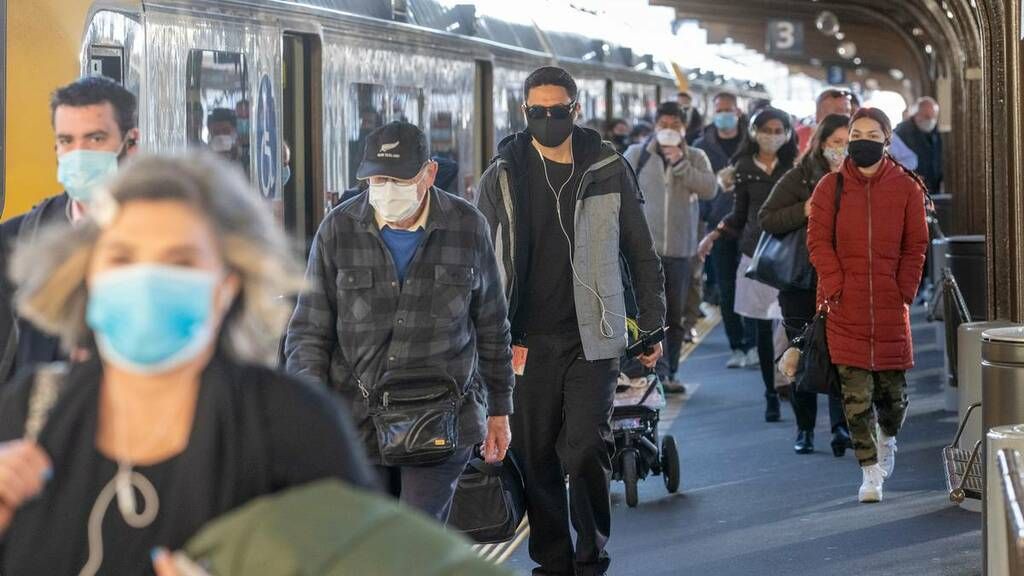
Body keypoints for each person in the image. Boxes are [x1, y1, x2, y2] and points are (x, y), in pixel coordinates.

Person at [0, 152, 377, 575]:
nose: (146, 280)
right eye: (122, 258)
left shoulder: (295, 425)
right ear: (87, 277)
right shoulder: (30, 412)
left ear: (226, 287)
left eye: (179, 262)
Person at [477, 66, 665, 576]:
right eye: (537, 113)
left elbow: (641, 252)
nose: (547, 120)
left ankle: (591, 555)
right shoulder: (501, 175)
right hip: (525, 341)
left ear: (575, 111)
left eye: (557, 112)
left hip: (594, 335)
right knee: (535, 457)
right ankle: (552, 562)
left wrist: (652, 324)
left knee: (585, 447)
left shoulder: (607, 167)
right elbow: (479, 264)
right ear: (524, 113)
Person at [285, 121, 514, 523]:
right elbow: (309, 332)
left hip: (442, 416)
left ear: (428, 174)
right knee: (366, 540)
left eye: (398, 178)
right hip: (356, 418)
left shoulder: (466, 227)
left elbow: (492, 325)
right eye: (377, 178)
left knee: (415, 541)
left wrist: (500, 411)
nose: (386, 188)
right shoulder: (338, 229)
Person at [807, 107, 929, 503]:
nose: (861, 140)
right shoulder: (829, 187)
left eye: (871, 134)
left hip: (892, 308)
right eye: (855, 133)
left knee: (893, 400)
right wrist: (837, 283)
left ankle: (887, 438)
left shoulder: (907, 188)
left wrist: (904, 289)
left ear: (886, 141)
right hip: (845, 306)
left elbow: (917, 244)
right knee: (854, 398)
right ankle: (869, 473)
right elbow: (818, 242)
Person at [0, 76, 141, 384]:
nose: (80, 153)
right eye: (67, 141)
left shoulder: (170, 239)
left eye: (95, 139)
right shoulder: (14, 242)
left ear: (131, 144)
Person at [758, 114, 852, 455]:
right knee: (800, 352)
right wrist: (805, 209)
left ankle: (842, 427)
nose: (840, 149)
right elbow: (766, 218)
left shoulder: (861, 178)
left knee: (843, 354)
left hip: (844, 281)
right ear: (821, 143)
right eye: (835, 142)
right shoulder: (799, 177)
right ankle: (806, 429)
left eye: (847, 142)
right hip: (801, 282)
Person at [698, 107, 798, 422]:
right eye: (766, 129)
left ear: (788, 133)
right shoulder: (742, 168)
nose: (772, 135)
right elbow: (739, 214)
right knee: (761, 328)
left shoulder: (796, 167)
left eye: (778, 129)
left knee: (790, 326)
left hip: (790, 255)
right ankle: (771, 391)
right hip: (755, 254)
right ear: (754, 132)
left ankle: (789, 383)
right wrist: (714, 235)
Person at [624, 101, 716, 393]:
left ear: (684, 129)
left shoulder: (696, 157)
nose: (668, 130)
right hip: (641, 252)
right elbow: (620, 189)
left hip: (680, 251)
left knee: (673, 315)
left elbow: (709, 188)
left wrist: (680, 164)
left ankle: (670, 370)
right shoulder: (637, 155)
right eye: (663, 125)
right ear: (654, 126)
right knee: (643, 314)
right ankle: (644, 370)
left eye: (675, 125)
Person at [693, 92, 755, 369]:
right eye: (720, 110)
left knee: (753, 286)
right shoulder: (701, 146)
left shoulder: (753, 142)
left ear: (738, 112)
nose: (724, 115)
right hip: (719, 227)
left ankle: (755, 343)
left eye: (728, 110)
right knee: (727, 289)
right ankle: (738, 346)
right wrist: (706, 214)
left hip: (752, 225)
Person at [894, 96, 943, 195]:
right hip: (909, 189)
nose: (931, 120)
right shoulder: (901, 133)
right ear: (917, 115)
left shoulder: (935, 132)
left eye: (933, 117)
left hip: (932, 189)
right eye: (927, 117)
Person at [795, 88, 854, 156]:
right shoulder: (798, 137)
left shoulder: (855, 138)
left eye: (847, 111)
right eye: (838, 111)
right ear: (818, 114)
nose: (845, 116)